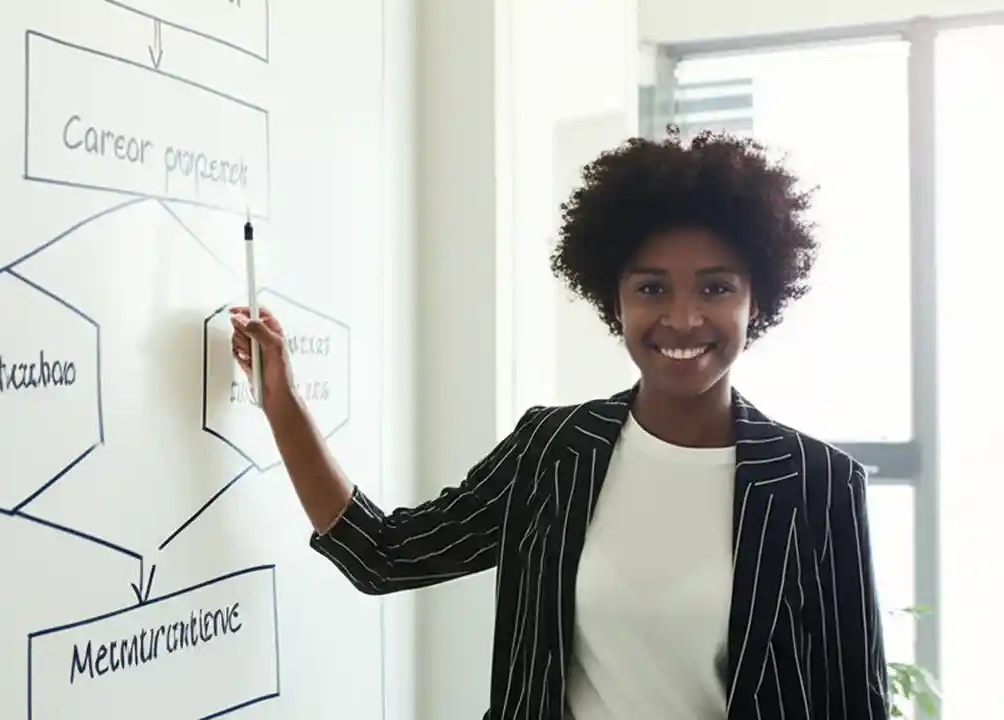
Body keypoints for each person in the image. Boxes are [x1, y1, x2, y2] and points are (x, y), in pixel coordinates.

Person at [229, 130, 888, 719]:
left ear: (756, 301)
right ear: (614, 301)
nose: (684, 318)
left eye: (716, 288)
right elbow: (382, 555)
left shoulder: (819, 485)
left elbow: (855, 703)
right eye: (652, 288)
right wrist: (283, 401)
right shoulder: (550, 450)